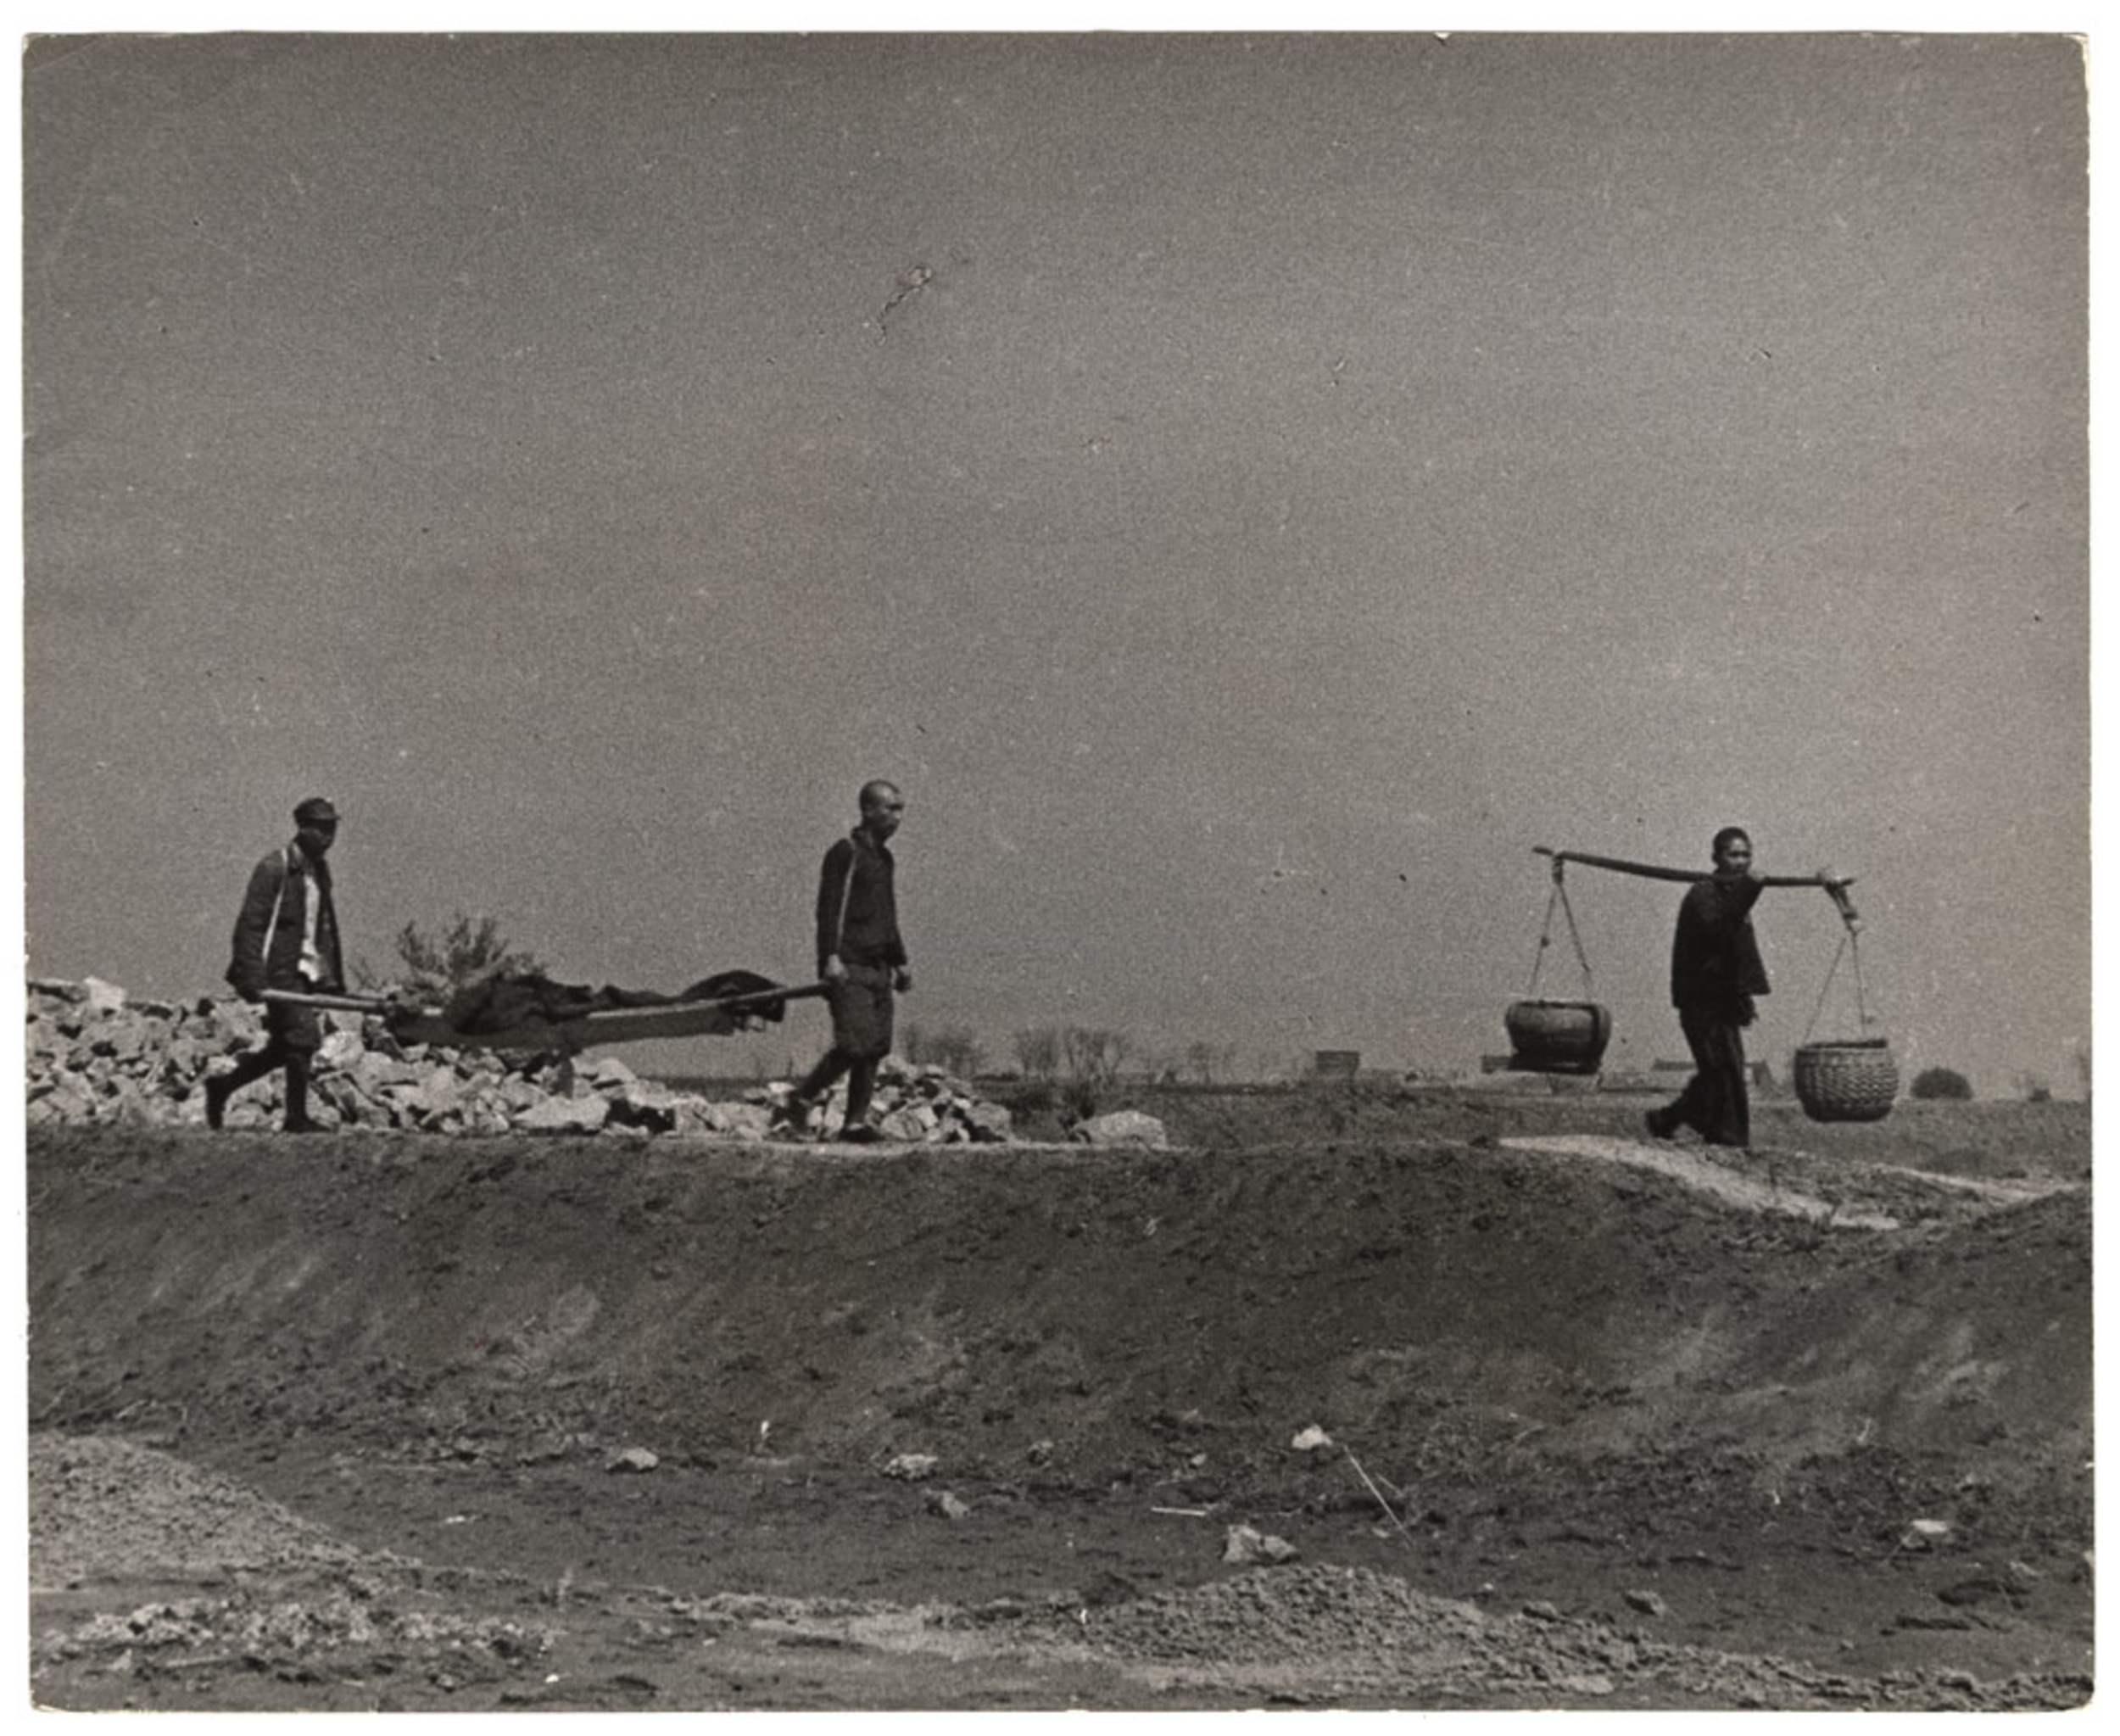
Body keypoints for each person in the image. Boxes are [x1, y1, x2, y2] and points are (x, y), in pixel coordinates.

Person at [773, 781, 912, 1142]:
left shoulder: (885, 859)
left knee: (876, 1046)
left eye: (900, 810)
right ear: (868, 810)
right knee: (854, 1043)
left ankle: (854, 1122)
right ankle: (799, 1100)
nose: (897, 817)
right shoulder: (845, 852)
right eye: (890, 809)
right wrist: (829, 957)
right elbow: (829, 909)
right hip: (848, 964)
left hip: (879, 968)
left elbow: (888, 915)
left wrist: (901, 961)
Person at [204, 796, 348, 1133]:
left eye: (332, 830)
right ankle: (295, 1117)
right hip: (277, 970)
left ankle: (222, 1088)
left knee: (285, 1047)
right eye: (322, 830)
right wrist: (251, 977)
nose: (328, 838)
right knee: (304, 1036)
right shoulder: (275, 867)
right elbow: (250, 925)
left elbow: (324, 925)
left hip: (305, 969)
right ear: (303, 829)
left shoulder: (320, 871)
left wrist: (331, 977)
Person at [1645, 826, 1770, 1149]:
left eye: (1746, 855)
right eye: (1734, 854)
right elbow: (1718, 932)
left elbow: (1737, 956)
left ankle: (1668, 1119)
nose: (1741, 862)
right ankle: (1727, 1141)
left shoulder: (1730, 894)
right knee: (1722, 1071)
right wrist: (1750, 890)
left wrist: (1744, 999)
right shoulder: (1703, 894)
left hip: (1724, 1001)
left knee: (1722, 1070)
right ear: (1717, 857)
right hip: (1701, 1000)